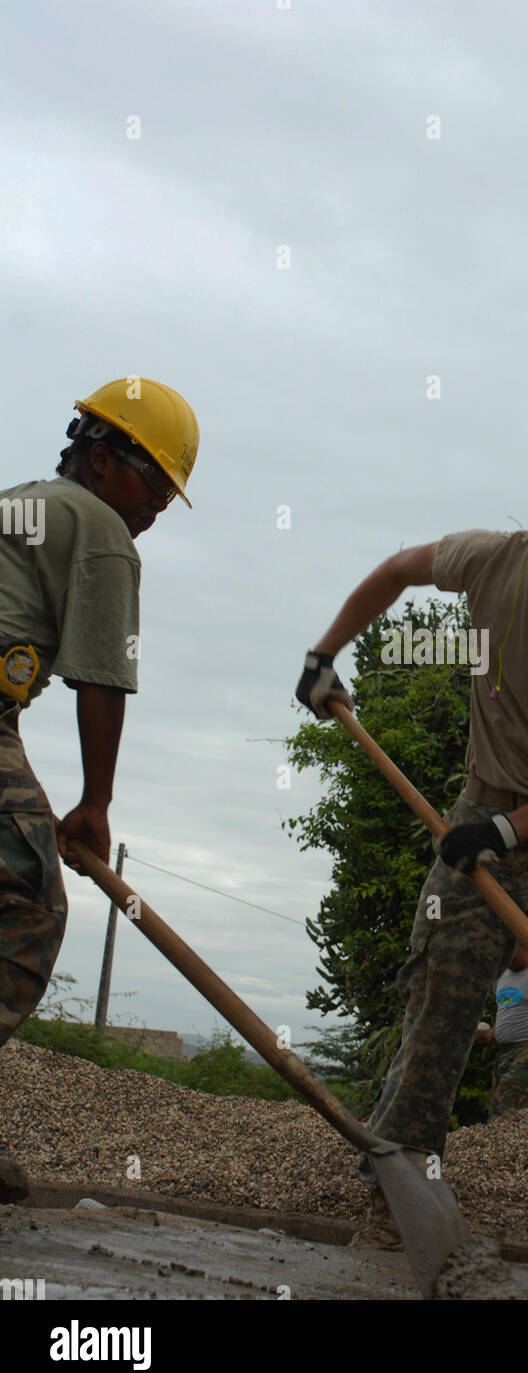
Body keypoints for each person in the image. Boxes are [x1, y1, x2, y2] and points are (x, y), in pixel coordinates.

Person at [296, 416, 528, 1264]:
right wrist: (326, 651)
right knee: (435, 1002)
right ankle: (396, 1195)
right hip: (477, 815)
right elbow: (396, 571)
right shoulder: (487, 563)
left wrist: (509, 830)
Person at [0, 377, 198, 1202]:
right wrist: (94, 804)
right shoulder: (102, 528)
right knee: (32, 905)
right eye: (151, 480)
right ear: (99, 458)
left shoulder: (19, 504)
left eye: (165, 491)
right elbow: (100, 678)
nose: (154, 504)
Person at [474, 943, 528, 1119]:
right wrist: (490, 1035)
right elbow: (505, 1011)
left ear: (524, 947)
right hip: (503, 1053)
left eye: (511, 951)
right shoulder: (501, 978)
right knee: (509, 1111)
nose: (506, 956)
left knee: (504, 1108)